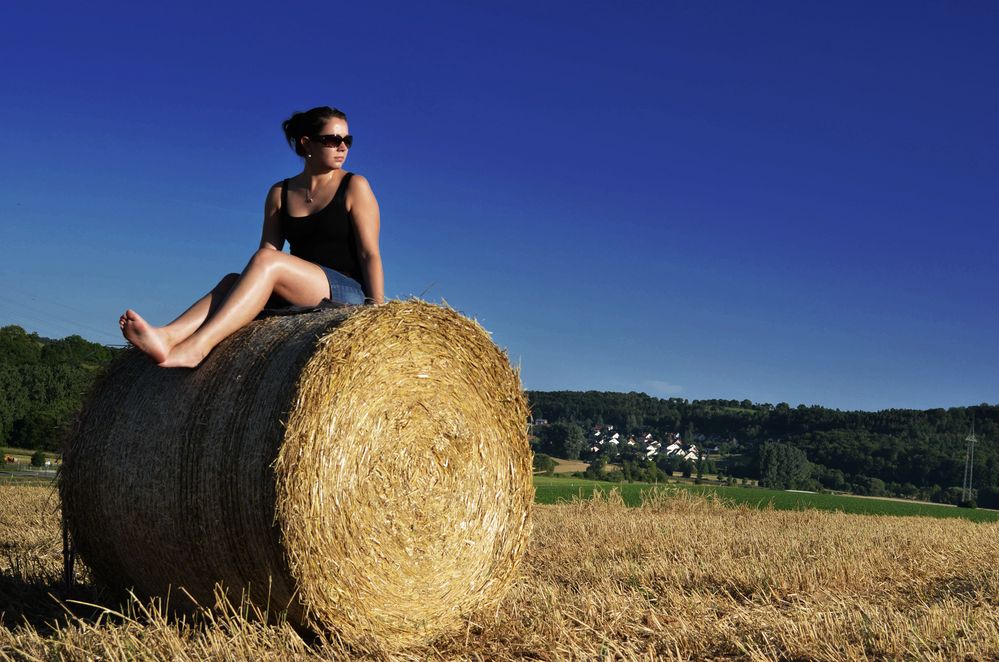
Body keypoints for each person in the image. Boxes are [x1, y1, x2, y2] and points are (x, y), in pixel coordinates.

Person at [119, 106, 384, 368]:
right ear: (307, 143)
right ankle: (167, 337)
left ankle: (198, 348)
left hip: (346, 290)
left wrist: (378, 317)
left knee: (266, 261)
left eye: (347, 140)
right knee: (232, 281)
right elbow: (266, 253)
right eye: (332, 140)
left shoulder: (354, 186)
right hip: (300, 288)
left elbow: (368, 254)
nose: (342, 147)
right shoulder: (280, 193)